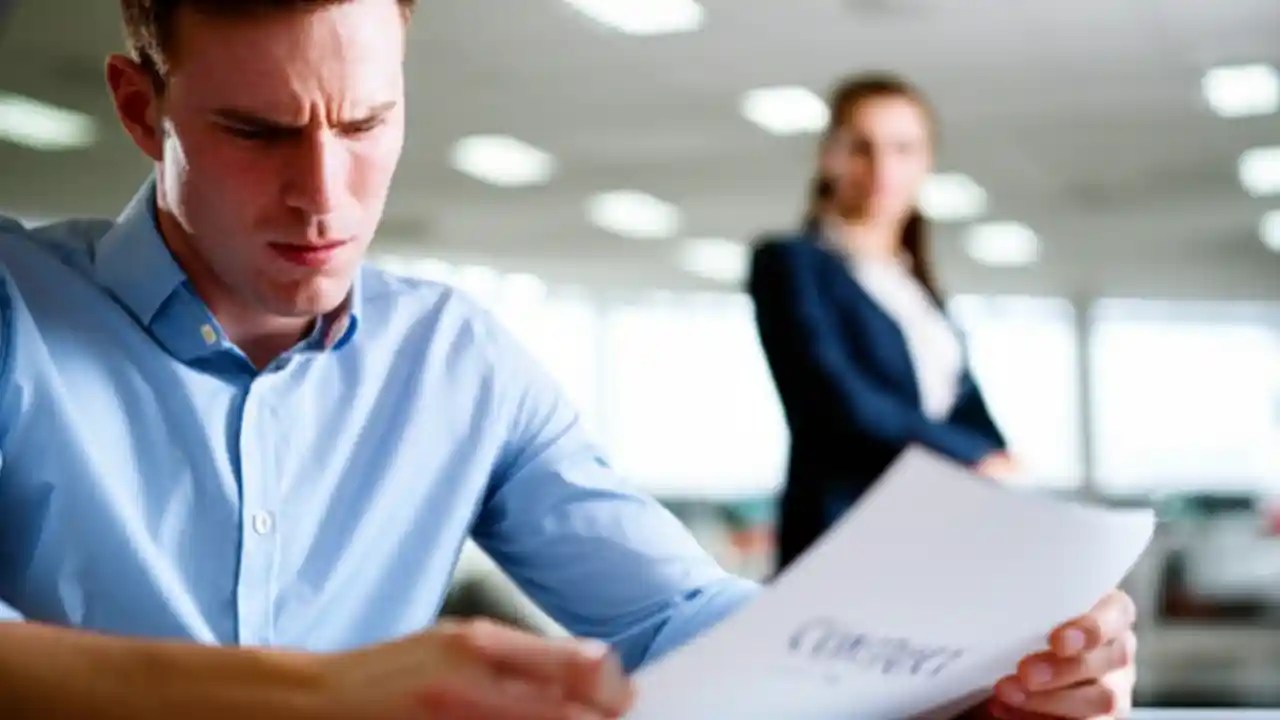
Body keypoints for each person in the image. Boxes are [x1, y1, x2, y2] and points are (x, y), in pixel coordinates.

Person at [0, 3, 1135, 718]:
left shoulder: (456, 362)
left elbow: (672, 615)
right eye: (257, 133)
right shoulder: (16, 314)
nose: (324, 197)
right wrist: (318, 696)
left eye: (365, 126)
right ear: (143, 109)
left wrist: (965, 670)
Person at [750, 73, 1021, 571]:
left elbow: (956, 397)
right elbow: (841, 402)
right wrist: (972, 456)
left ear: (926, 161)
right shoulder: (791, 264)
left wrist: (999, 454)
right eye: (861, 147)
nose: (881, 168)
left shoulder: (913, 285)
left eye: (903, 149)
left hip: (933, 524)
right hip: (844, 529)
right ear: (827, 156)